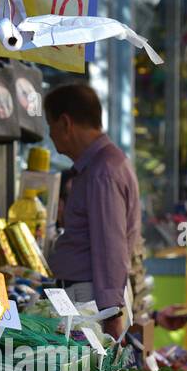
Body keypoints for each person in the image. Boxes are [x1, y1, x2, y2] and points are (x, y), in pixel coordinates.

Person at [44, 83, 140, 341]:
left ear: (65, 123)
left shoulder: (103, 172)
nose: (50, 135)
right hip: (91, 299)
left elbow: (110, 246)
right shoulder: (103, 165)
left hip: (91, 303)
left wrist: (110, 315)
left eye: (50, 125)